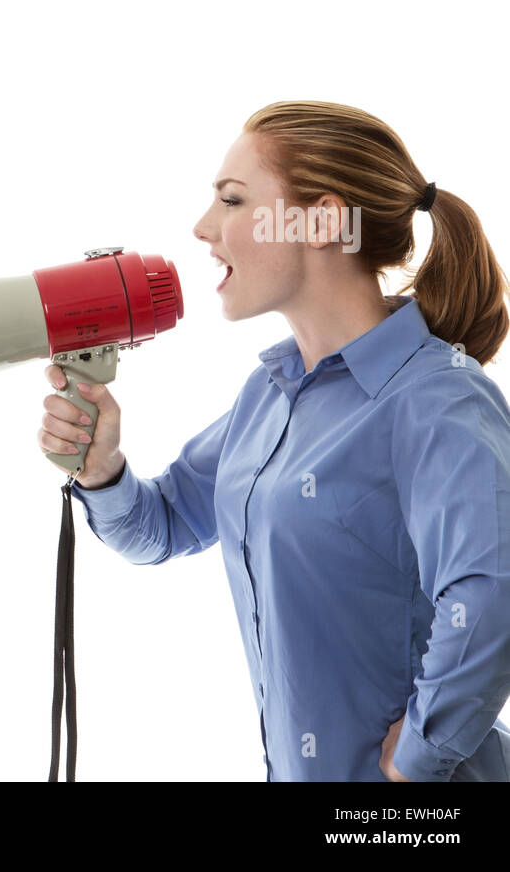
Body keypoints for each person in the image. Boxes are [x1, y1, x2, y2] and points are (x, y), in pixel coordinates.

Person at [38, 101, 510, 781]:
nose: (204, 228)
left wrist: (414, 760)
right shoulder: (271, 394)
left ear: (320, 221)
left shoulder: (437, 399)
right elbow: (165, 523)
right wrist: (104, 469)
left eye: (232, 200)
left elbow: (489, 596)